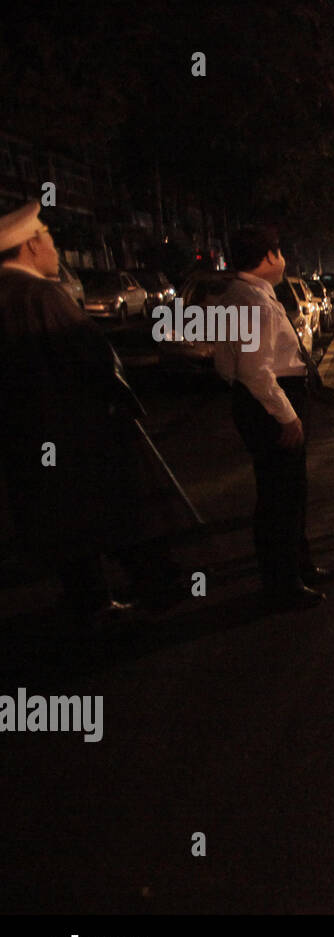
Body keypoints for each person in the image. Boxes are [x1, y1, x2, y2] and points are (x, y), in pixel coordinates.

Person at [0, 201, 196, 627]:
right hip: (80, 435)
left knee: (64, 523)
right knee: (118, 510)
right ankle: (156, 588)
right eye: (49, 240)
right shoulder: (42, 296)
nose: (55, 249)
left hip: (26, 442)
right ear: (32, 245)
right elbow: (94, 360)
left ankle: (89, 600)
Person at [211, 226, 334, 612]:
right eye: (279, 252)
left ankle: (297, 566)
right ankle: (283, 582)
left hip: (256, 400)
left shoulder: (236, 296)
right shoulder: (254, 302)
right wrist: (287, 416)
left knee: (286, 491)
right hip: (270, 402)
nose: (283, 260)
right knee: (281, 496)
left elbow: (224, 364)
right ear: (268, 257)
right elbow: (255, 371)